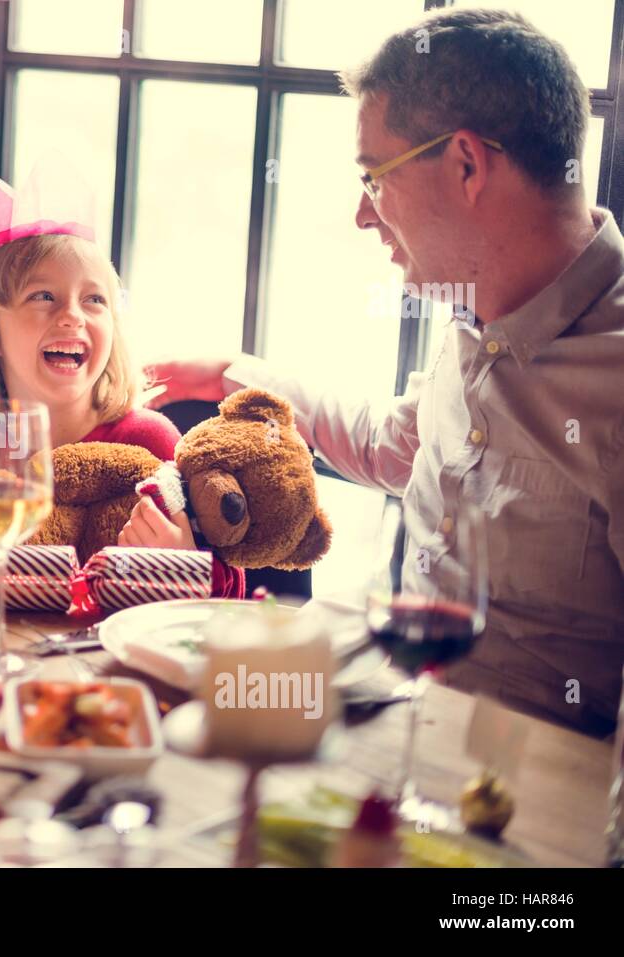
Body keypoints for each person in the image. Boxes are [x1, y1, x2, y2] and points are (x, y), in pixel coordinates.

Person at [135, 9, 624, 735]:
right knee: (156, 709)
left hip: (524, 807)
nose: (364, 216)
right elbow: (393, 447)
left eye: (374, 177)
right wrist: (233, 374)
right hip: (393, 722)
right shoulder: (473, 315)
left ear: (466, 165)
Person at [0, 166, 180, 485]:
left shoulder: (147, 441)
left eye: (94, 299)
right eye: (43, 296)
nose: (72, 316)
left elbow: (190, 530)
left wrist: (179, 538)